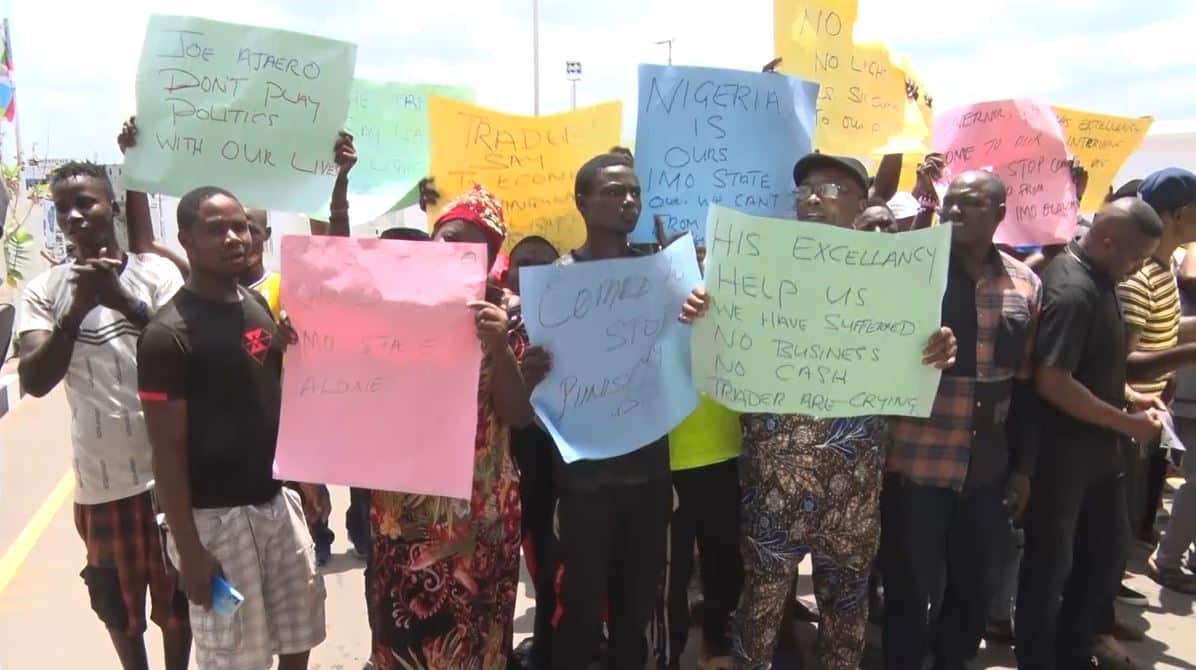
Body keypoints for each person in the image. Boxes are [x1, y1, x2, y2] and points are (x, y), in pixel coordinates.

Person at [682, 152, 958, 670]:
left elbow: (921, 347)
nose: (812, 198)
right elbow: (718, 322)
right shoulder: (755, 268)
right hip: (772, 484)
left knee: (846, 615)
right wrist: (702, 305)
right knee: (759, 610)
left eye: (829, 189)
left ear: (860, 202)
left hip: (852, 487)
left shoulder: (895, 277)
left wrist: (939, 347)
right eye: (805, 189)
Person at [138, 186, 325, 670]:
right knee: (236, 657)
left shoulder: (255, 306)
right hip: (215, 523)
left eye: (239, 226)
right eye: (216, 229)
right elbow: (166, 454)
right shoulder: (167, 336)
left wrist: (302, 474)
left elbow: (267, 394)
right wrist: (189, 551)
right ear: (186, 240)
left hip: (275, 506)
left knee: (299, 634)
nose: (234, 237)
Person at [17, 161, 189, 670]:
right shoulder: (44, 291)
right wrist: (74, 313)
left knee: (178, 606)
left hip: (168, 477)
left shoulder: (156, 274)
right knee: (118, 610)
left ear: (112, 206)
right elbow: (35, 380)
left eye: (85, 203)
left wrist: (123, 302)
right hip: (101, 486)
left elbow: (185, 353)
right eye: (62, 208)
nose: (73, 216)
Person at [521, 152, 679, 670]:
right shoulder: (556, 283)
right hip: (584, 485)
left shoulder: (661, 273)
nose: (629, 201)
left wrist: (692, 298)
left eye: (635, 192)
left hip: (649, 478)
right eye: (614, 192)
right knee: (580, 616)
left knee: (635, 615)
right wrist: (532, 372)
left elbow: (688, 353)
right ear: (582, 203)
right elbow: (536, 398)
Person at [367, 183, 534, 670]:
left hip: (481, 508)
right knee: (405, 630)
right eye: (444, 238)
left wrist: (499, 346)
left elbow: (518, 414)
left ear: (490, 258)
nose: (449, 251)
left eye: (468, 245)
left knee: (476, 631)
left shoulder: (509, 315)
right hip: (404, 510)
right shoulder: (396, 305)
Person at [880, 170, 1042, 670]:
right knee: (908, 587)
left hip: (987, 470)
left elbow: (1025, 386)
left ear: (999, 213)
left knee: (974, 586)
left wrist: (1023, 468)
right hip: (915, 465)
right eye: (949, 202)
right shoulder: (910, 275)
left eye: (969, 203)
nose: (954, 212)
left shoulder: (1025, 283)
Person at [1015, 197, 1166, 670]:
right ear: (1107, 241)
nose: (1138, 268)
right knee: (1049, 568)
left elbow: (1093, 362)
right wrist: (1128, 424)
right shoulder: (1073, 291)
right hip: (1061, 459)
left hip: (1097, 455)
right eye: (1136, 257)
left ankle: (1074, 652)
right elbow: (1054, 381)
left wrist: (1130, 397)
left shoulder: (1102, 280)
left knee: (1103, 556)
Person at [1123, 168, 1196, 595]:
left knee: (1125, 517)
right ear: (1180, 215)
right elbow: (1127, 363)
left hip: (1149, 412)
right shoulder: (1140, 276)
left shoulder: (1163, 269)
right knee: (1110, 518)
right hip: (1126, 415)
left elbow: (1164, 330)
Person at [499, 234, 562, 670]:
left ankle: (550, 646)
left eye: (546, 262)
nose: (536, 270)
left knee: (554, 559)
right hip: (512, 460)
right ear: (509, 275)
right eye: (526, 262)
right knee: (509, 563)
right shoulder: (498, 327)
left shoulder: (577, 318)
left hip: (561, 462)